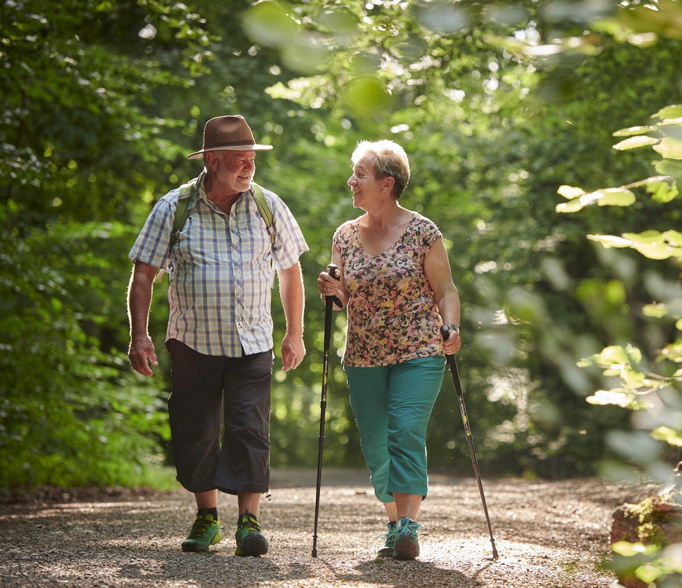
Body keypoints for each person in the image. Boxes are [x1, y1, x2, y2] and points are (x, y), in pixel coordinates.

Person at [127, 115, 309, 557]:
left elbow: (290, 271)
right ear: (212, 161)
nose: (249, 167)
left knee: (250, 428)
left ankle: (249, 522)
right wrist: (139, 335)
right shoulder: (174, 207)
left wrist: (295, 333)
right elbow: (144, 273)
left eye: (252, 159)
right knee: (196, 430)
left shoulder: (268, 205)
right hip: (194, 340)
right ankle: (207, 517)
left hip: (253, 341)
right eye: (239, 160)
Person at [317, 139, 461, 560]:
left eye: (360, 174)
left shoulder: (423, 232)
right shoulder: (345, 236)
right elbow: (343, 298)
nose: (351, 181)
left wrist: (451, 326)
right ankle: (394, 521)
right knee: (377, 442)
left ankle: (408, 526)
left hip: (419, 349)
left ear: (387, 183)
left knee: (404, 430)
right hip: (364, 354)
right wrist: (332, 290)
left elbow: (446, 290)